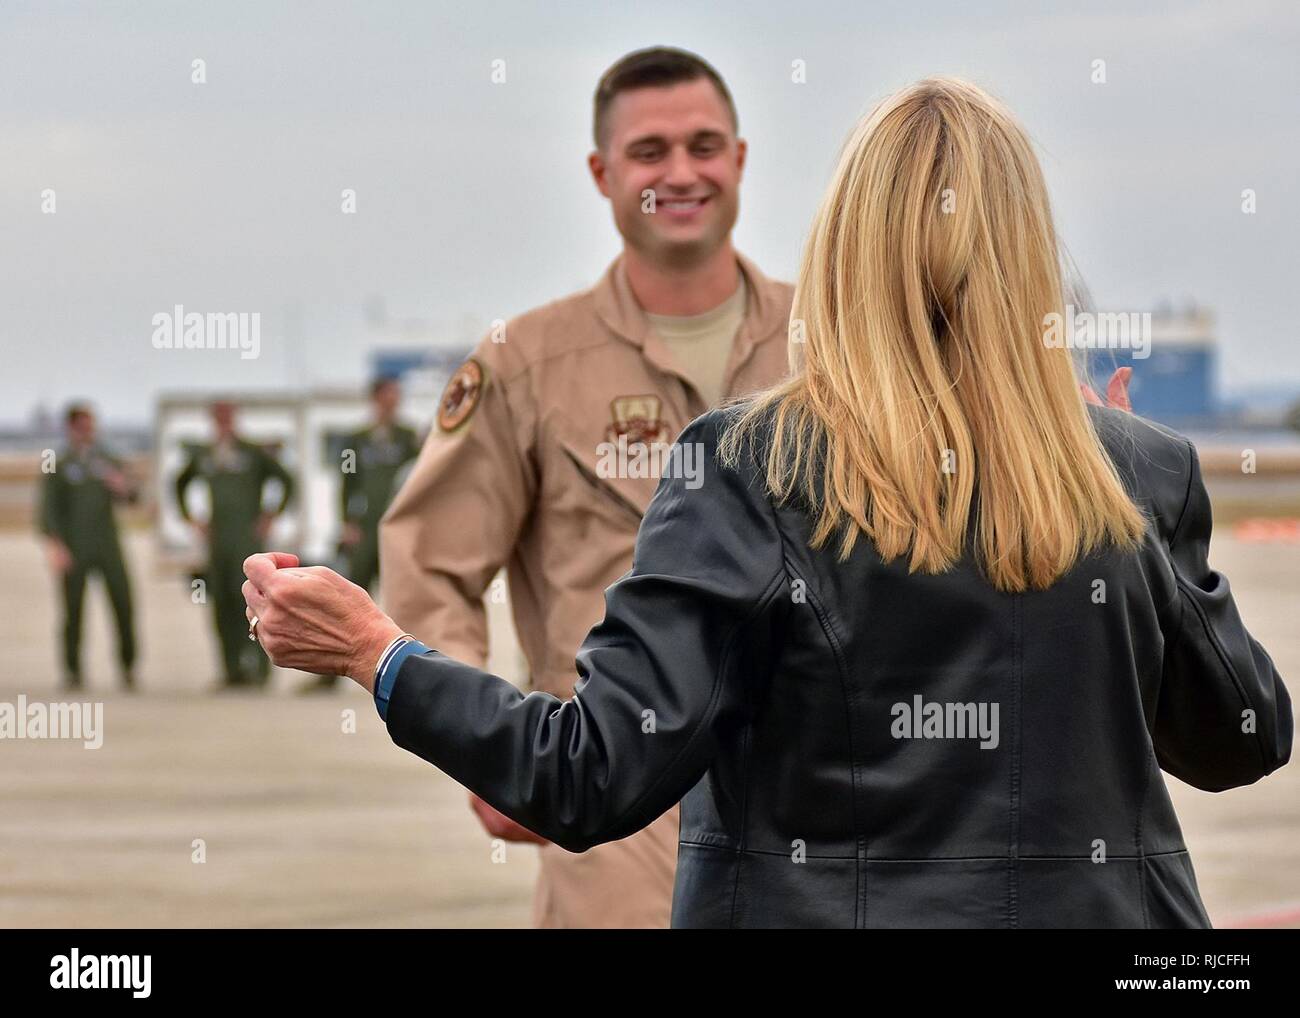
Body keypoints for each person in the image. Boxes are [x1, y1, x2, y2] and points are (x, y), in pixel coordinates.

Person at [245, 77, 1291, 928]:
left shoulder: (745, 467)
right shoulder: (1136, 467)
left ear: (845, 242)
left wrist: (379, 654)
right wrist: (1118, 494)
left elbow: (589, 775)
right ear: (1026, 254)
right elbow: (1241, 737)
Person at [378, 47, 795, 928]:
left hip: (820, 802)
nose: (680, 173)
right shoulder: (527, 364)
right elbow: (430, 561)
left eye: (704, 145)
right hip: (613, 806)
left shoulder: (835, 347)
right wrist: (482, 752)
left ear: (742, 159)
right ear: (603, 174)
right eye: (650, 153)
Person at [299, 376, 420, 693]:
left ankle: (412, 673)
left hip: (399, 528)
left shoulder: (409, 438)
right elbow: (347, 483)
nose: (394, 400)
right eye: (388, 394)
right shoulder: (357, 439)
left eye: (397, 395)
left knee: (403, 602)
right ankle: (329, 673)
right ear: (376, 398)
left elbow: (421, 481)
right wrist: (346, 522)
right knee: (348, 599)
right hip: (365, 530)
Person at [175, 401, 294, 689]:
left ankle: (259, 670)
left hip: (248, 543)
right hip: (218, 544)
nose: (224, 423)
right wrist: (191, 518)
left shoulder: (252, 453)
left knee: (252, 603)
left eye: (228, 417)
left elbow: (287, 479)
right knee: (222, 606)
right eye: (219, 418)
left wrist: (270, 515)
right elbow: (179, 483)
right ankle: (231, 670)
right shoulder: (205, 456)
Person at [37, 403, 138, 690]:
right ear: (70, 428)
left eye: (91, 426)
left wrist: (121, 485)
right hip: (74, 547)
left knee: (123, 604)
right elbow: (48, 510)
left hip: (108, 545)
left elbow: (133, 496)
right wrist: (56, 547)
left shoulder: (107, 459)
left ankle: (128, 667)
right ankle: (73, 671)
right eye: (82, 426)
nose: (88, 432)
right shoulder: (58, 463)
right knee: (72, 611)